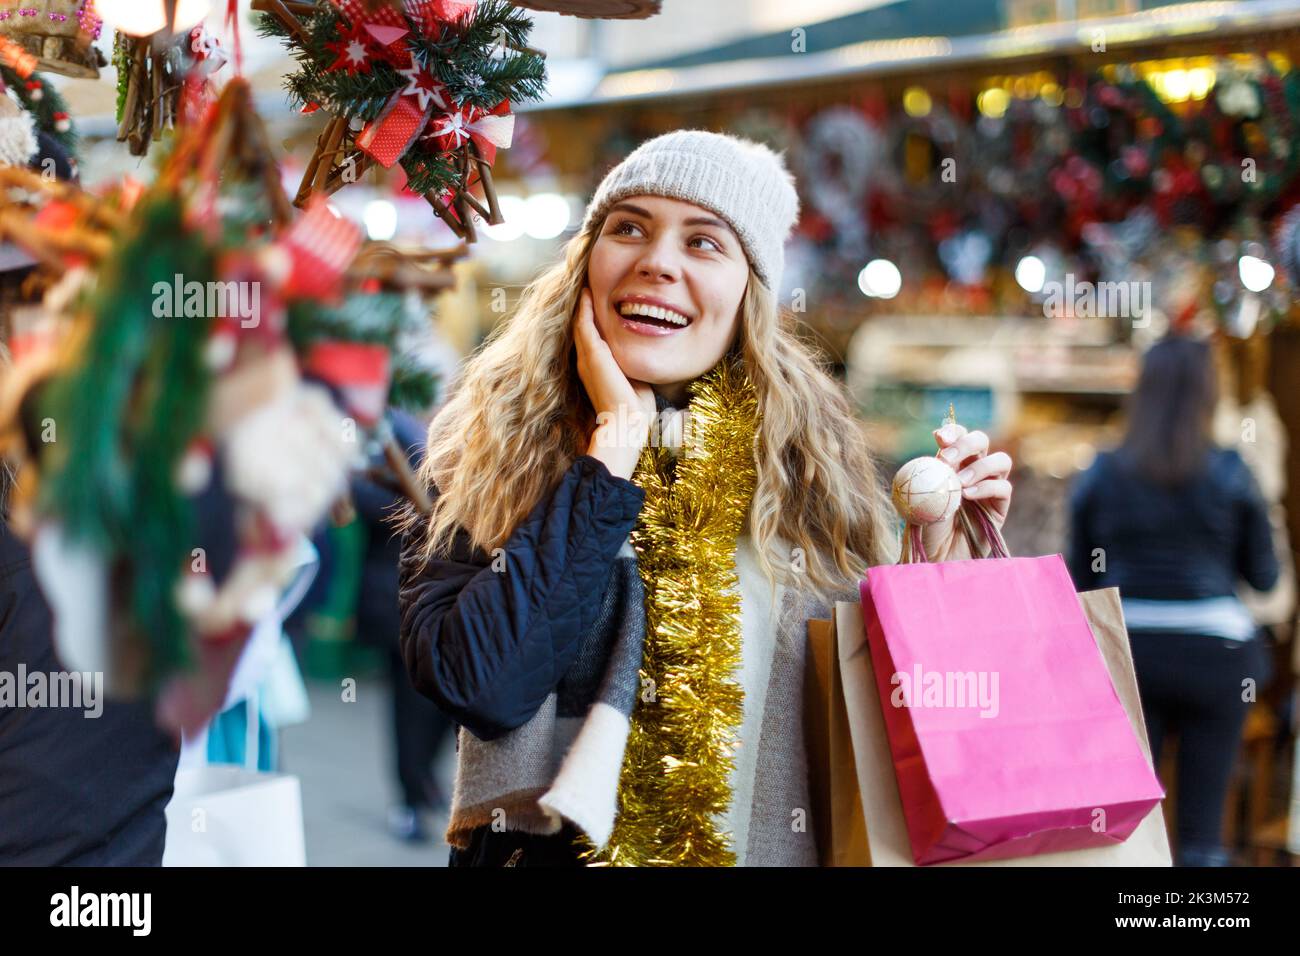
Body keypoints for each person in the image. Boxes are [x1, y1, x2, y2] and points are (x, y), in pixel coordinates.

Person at [397, 130, 1014, 867]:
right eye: (629, 228)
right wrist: (610, 454)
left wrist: (944, 565)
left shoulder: (811, 475)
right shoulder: (489, 452)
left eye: (704, 242)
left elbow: (889, 729)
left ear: (749, 292)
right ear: (585, 266)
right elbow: (483, 684)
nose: (656, 262)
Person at [1067, 333, 1280, 867]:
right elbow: (1264, 578)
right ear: (1210, 393)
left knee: (1122, 828)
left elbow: (1077, 578)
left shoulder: (1103, 470)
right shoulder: (1233, 471)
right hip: (1219, 661)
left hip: (1127, 658)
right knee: (1204, 831)